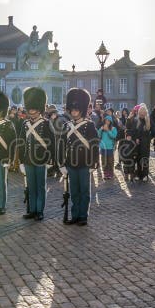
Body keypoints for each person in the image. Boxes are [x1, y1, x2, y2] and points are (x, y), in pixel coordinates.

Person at [63, 88, 98, 226]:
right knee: (74, 192)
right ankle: (75, 214)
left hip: (84, 163)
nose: (74, 112)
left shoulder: (89, 125)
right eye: (72, 110)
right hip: (71, 163)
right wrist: (62, 163)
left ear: (81, 110)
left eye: (76, 110)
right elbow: (63, 145)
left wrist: (93, 163)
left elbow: (95, 146)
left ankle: (83, 216)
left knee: (84, 191)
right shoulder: (67, 126)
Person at [20, 87, 55, 221]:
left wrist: (50, 160)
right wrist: (21, 161)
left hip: (41, 160)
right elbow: (21, 143)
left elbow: (51, 143)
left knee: (40, 187)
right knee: (31, 186)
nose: (32, 111)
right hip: (28, 160)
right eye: (30, 109)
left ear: (39, 109)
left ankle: (39, 211)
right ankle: (32, 209)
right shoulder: (25, 124)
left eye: (34, 109)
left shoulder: (46, 124)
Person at [126, 104, 152, 181]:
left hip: (145, 144)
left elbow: (149, 133)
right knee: (137, 159)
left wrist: (146, 139)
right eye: (140, 112)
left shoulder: (148, 121)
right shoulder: (135, 120)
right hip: (137, 143)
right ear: (139, 112)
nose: (142, 114)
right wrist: (128, 119)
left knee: (144, 159)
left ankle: (145, 175)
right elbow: (130, 128)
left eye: (143, 113)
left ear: (145, 113)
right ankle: (138, 174)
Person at [98, 115, 118, 180]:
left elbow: (114, 136)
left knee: (110, 161)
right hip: (103, 147)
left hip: (110, 147)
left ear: (110, 122)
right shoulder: (102, 128)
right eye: (106, 120)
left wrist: (108, 131)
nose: (107, 122)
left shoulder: (113, 128)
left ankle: (110, 173)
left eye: (108, 121)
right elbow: (98, 135)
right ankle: (105, 173)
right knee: (104, 161)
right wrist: (101, 130)